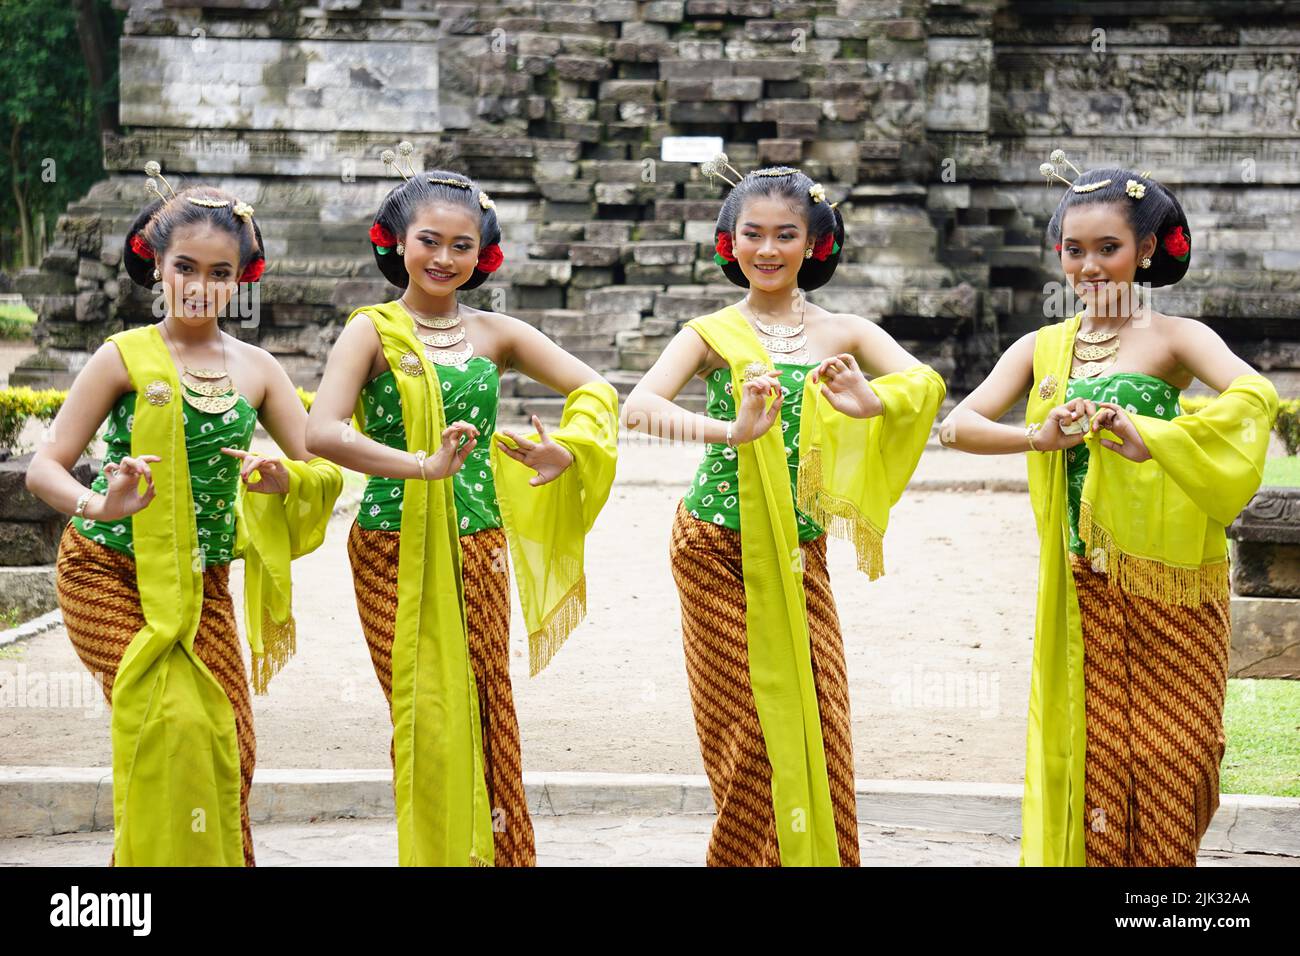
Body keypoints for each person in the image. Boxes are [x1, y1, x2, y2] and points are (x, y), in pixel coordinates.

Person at [940, 151, 1278, 866]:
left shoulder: (1176, 339)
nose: (1090, 267)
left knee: (1180, 756)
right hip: (1081, 580)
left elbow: (1256, 399)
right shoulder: (1042, 347)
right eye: (1074, 250)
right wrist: (1038, 434)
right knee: (1092, 758)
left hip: (1171, 585)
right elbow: (958, 426)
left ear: (1146, 250)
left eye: (1108, 249)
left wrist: (1151, 438)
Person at [622, 155, 946, 866]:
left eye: (786, 235)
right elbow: (641, 407)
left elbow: (925, 388)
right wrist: (730, 431)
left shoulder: (846, 332)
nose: (768, 250)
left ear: (814, 243)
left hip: (800, 550)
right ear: (729, 243)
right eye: (753, 234)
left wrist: (871, 400)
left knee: (821, 723)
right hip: (714, 542)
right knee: (751, 731)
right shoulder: (711, 332)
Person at [305, 146, 618, 867]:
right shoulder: (371, 330)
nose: (444, 258)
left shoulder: (494, 333)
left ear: (484, 255)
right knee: (423, 713)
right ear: (396, 243)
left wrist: (568, 447)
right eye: (429, 241)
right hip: (391, 540)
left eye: (462, 246)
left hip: (479, 540)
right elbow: (322, 431)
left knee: (487, 706)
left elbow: (596, 389)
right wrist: (419, 465)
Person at [26, 162, 343, 866]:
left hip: (203, 586)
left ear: (241, 279)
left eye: (220, 272)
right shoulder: (122, 358)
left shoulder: (259, 370)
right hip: (107, 568)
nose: (201, 286)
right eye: (185, 266)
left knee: (229, 745)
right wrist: (99, 502)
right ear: (157, 267)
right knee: (167, 724)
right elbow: (44, 466)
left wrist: (280, 479)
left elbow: (322, 466)